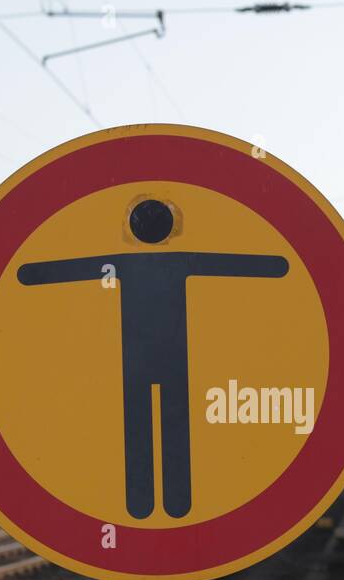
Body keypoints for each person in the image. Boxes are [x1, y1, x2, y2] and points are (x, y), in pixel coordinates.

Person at [17, 198, 289, 519]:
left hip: (135, 365)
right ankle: (176, 503)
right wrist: (278, 266)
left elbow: (67, 270)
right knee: (173, 428)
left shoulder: (121, 264)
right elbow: (234, 264)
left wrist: (27, 274)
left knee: (138, 429)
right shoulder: (183, 261)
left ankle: (141, 504)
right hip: (173, 362)